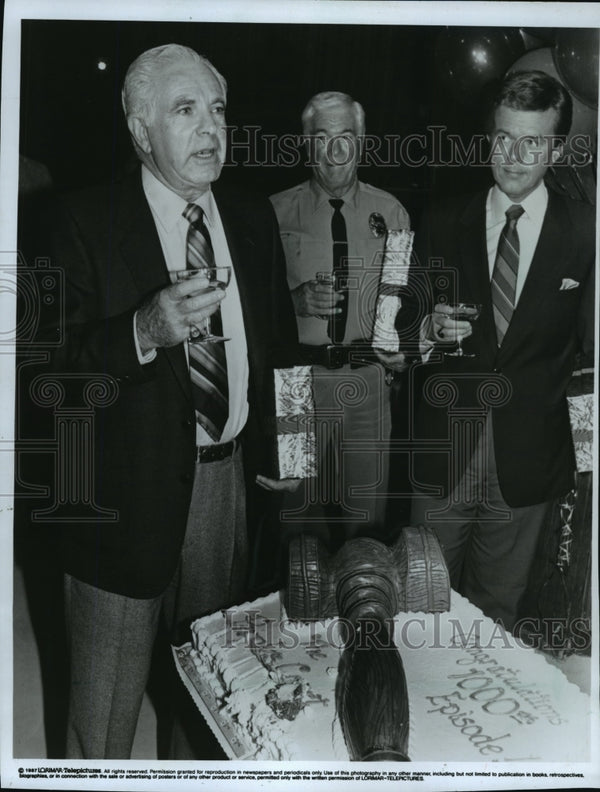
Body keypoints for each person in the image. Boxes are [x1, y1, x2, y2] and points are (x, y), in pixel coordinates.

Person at [43, 43, 297, 758]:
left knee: (210, 708)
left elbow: (278, 349)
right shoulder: (81, 221)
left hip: (227, 493)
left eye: (217, 110)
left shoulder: (252, 217)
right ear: (138, 129)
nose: (210, 128)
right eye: (185, 111)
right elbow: (50, 379)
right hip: (118, 510)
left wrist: (293, 451)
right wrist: (143, 330)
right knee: (104, 725)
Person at [397, 70, 595, 631]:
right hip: (442, 452)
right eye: (503, 137)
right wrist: (425, 333)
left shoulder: (586, 233)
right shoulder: (438, 221)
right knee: (419, 609)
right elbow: (396, 337)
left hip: (529, 461)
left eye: (532, 142)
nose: (513, 155)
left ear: (556, 149)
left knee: (496, 620)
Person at [270, 91, 410, 549]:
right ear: (306, 144)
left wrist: (402, 352)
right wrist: (294, 301)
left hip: (367, 380)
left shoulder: (391, 212)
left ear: (363, 140)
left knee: (366, 521)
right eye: (321, 138)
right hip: (294, 383)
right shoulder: (271, 213)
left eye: (345, 137)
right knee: (295, 518)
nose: (334, 152)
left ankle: (361, 617)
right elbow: (248, 309)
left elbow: (403, 301)